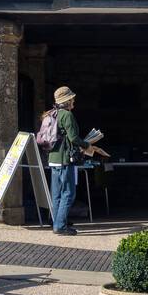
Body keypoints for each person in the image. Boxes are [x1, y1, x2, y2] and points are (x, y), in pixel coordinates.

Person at [45, 86, 96, 236]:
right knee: (68, 192)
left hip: (53, 159)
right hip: (64, 159)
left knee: (56, 193)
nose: (74, 101)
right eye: (72, 98)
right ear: (67, 101)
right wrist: (87, 145)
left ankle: (56, 221)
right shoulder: (67, 115)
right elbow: (73, 138)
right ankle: (60, 226)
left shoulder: (52, 114)